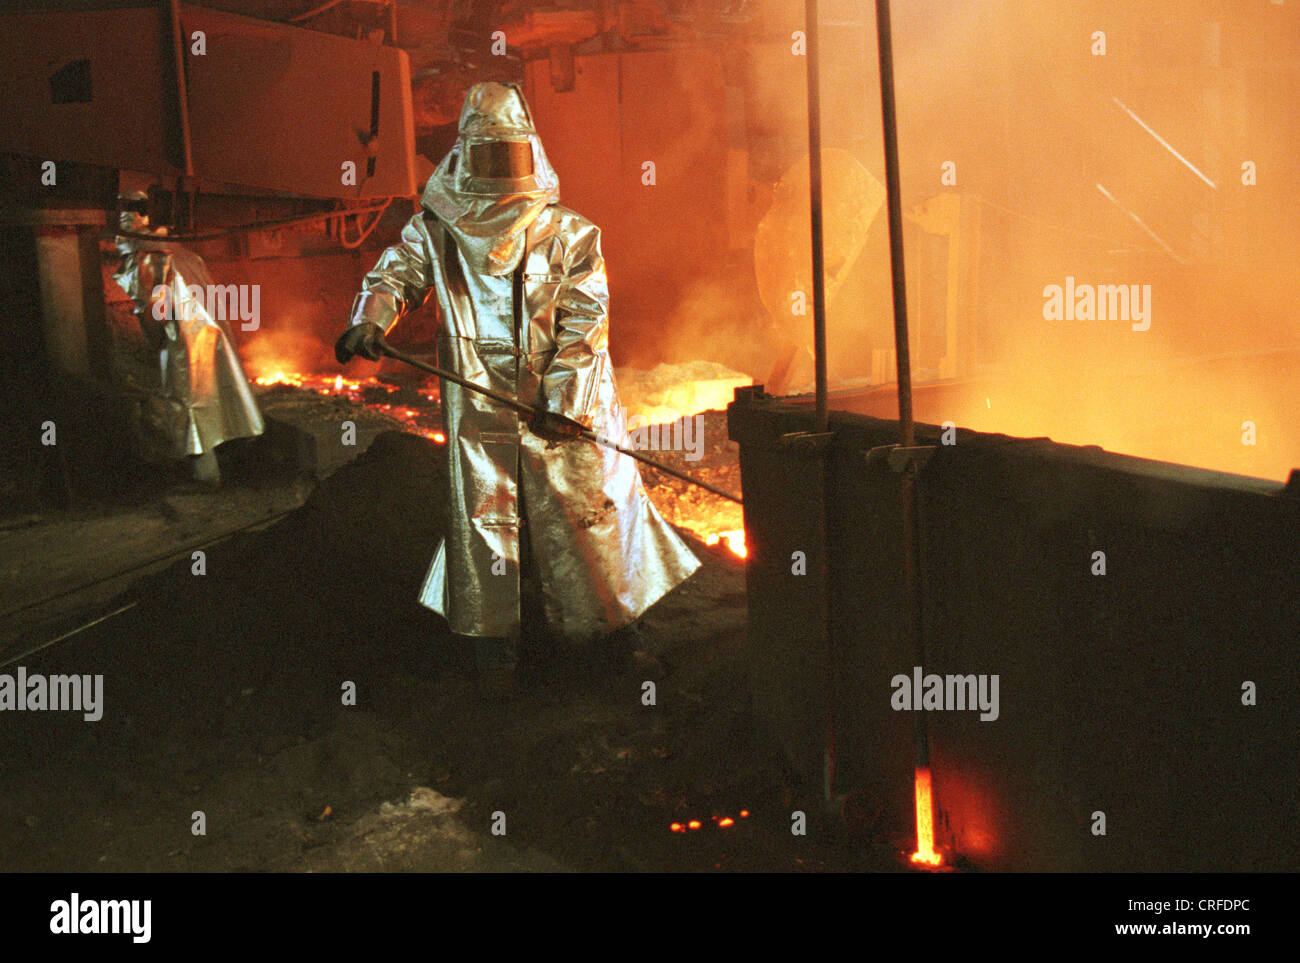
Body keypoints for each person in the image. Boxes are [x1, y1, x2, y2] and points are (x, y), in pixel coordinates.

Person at [336, 82, 699, 698]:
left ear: (531, 152)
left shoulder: (571, 233)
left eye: (511, 156)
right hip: (480, 408)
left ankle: (613, 633)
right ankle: (493, 651)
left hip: (566, 408)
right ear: (464, 156)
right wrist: (369, 317)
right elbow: (397, 271)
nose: (502, 172)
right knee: (486, 523)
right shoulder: (439, 230)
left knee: (589, 518)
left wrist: (562, 403)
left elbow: (585, 325)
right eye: (490, 157)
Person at [112, 191, 263, 483]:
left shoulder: (148, 261)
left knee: (187, 402)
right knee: (218, 393)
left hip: (183, 339)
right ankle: (232, 458)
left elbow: (154, 312)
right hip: (211, 334)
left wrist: (158, 341)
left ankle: (205, 478)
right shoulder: (183, 254)